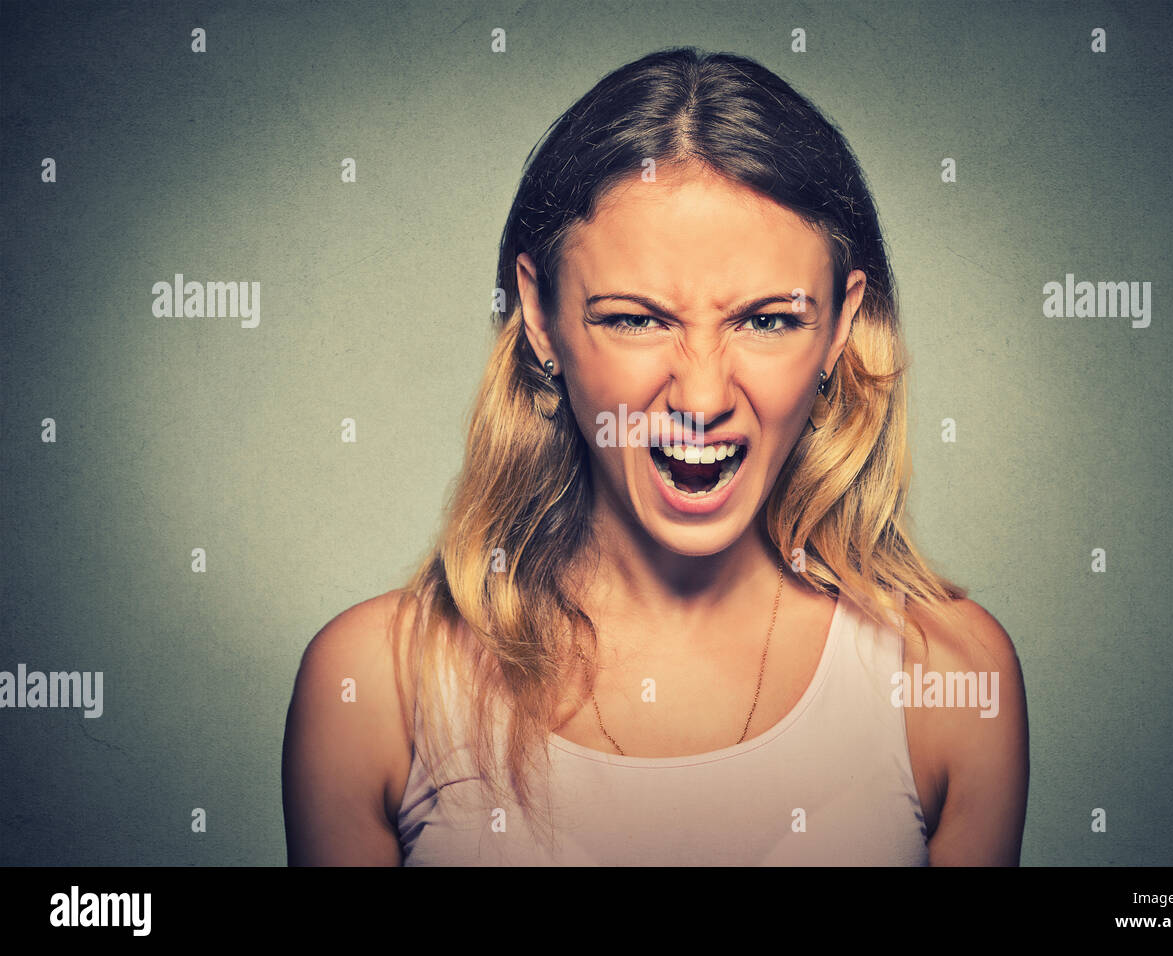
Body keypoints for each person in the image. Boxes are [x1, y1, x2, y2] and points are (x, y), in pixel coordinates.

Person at [282, 46, 1028, 866]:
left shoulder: (951, 681)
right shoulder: (371, 689)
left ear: (840, 327)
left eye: (768, 320)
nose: (701, 398)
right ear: (539, 313)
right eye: (636, 319)